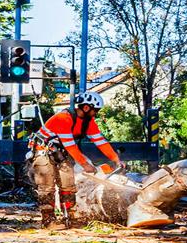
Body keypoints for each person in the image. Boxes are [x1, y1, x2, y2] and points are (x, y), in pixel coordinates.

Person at [28, 91, 124, 229]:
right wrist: (85, 165)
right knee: (47, 187)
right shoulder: (63, 118)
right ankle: (48, 220)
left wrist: (116, 160)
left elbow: (100, 142)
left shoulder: (88, 122)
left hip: (61, 152)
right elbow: (70, 146)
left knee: (68, 185)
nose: (96, 113)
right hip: (43, 152)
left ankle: (70, 217)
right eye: (95, 110)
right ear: (86, 107)